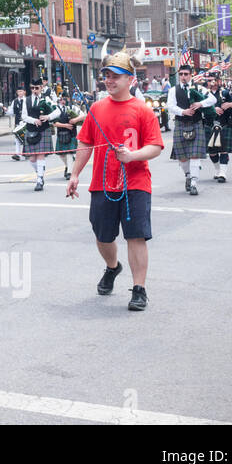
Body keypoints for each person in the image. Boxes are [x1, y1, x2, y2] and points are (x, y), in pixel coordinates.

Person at [67, 51, 164, 311]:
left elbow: (155, 146)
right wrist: (75, 174)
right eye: (106, 76)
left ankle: (139, 289)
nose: (109, 81)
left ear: (130, 79)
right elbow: (86, 143)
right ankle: (112, 267)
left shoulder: (143, 111)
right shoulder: (97, 109)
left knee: (136, 236)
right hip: (102, 183)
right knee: (103, 235)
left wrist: (132, 156)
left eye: (115, 77)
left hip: (136, 183)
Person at [168, 66, 215, 195]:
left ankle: (194, 182)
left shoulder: (199, 88)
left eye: (186, 74)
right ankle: (188, 176)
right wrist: (183, 111)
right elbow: (170, 106)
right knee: (182, 157)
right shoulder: (173, 90)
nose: (183, 76)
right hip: (180, 123)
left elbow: (213, 99)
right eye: (181, 74)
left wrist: (201, 104)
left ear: (191, 75)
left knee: (194, 155)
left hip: (196, 123)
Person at [21, 79, 60, 191]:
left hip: (43, 130)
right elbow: (24, 116)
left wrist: (48, 117)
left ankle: (39, 180)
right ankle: (40, 172)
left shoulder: (46, 99)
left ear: (41, 88)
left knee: (40, 155)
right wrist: (34, 121)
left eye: (36, 88)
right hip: (31, 129)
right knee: (32, 159)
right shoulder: (26, 100)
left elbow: (57, 111)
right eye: (32, 88)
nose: (34, 90)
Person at [205, 73, 232, 182]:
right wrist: (213, 109)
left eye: (214, 80)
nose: (212, 83)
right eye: (209, 80)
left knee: (223, 150)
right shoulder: (203, 93)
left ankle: (222, 173)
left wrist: (229, 105)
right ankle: (217, 170)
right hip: (208, 125)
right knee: (212, 152)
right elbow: (197, 106)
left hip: (224, 125)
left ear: (218, 81)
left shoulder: (226, 92)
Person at [54, 97, 86, 180]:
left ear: (68, 99)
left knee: (69, 153)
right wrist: (65, 126)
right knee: (61, 155)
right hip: (61, 134)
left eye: (64, 99)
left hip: (71, 134)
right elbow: (54, 123)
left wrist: (75, 119)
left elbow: (83, 116)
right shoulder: (56, 109)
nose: (62, 101)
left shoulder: (73, 108)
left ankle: (69, 172)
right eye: (60, 100)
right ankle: (69, 165)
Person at [9, 85, 27, 161]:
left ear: (24, 92)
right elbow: (11, 112)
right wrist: (7, 110)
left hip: (26, 122)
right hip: (17, 122)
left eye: (21, 91)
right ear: (17, 92)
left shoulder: (27, 100)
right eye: (18, 91)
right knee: (17, 138)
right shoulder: (15, 101)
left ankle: (26, 152)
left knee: (26, 138)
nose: (20, 93)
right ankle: (17, 154)